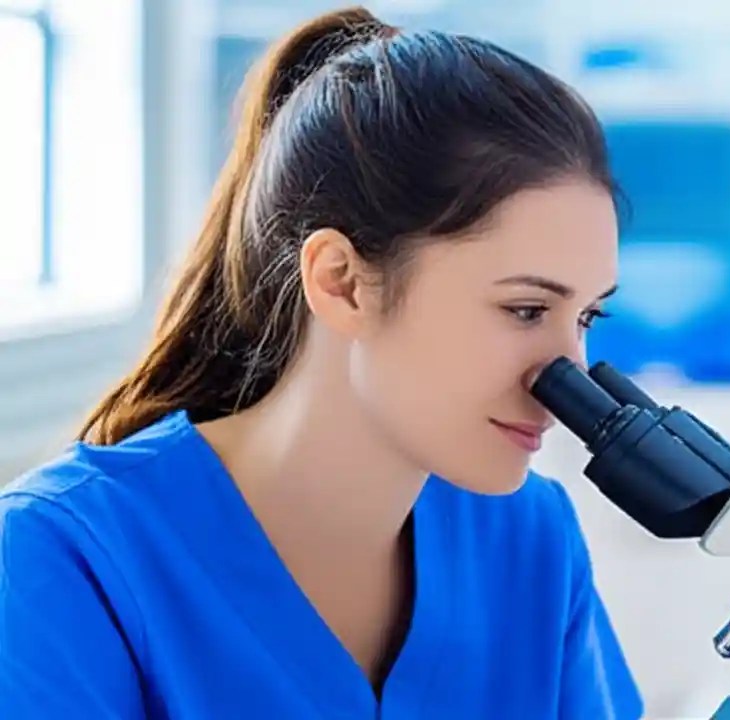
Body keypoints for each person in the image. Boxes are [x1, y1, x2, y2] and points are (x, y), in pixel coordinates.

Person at [0, 7, 643, 719]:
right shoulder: (65, 556)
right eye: (525, 310)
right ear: (341, 280)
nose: (565, 383)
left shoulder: (532, 542)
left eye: (585, 317)